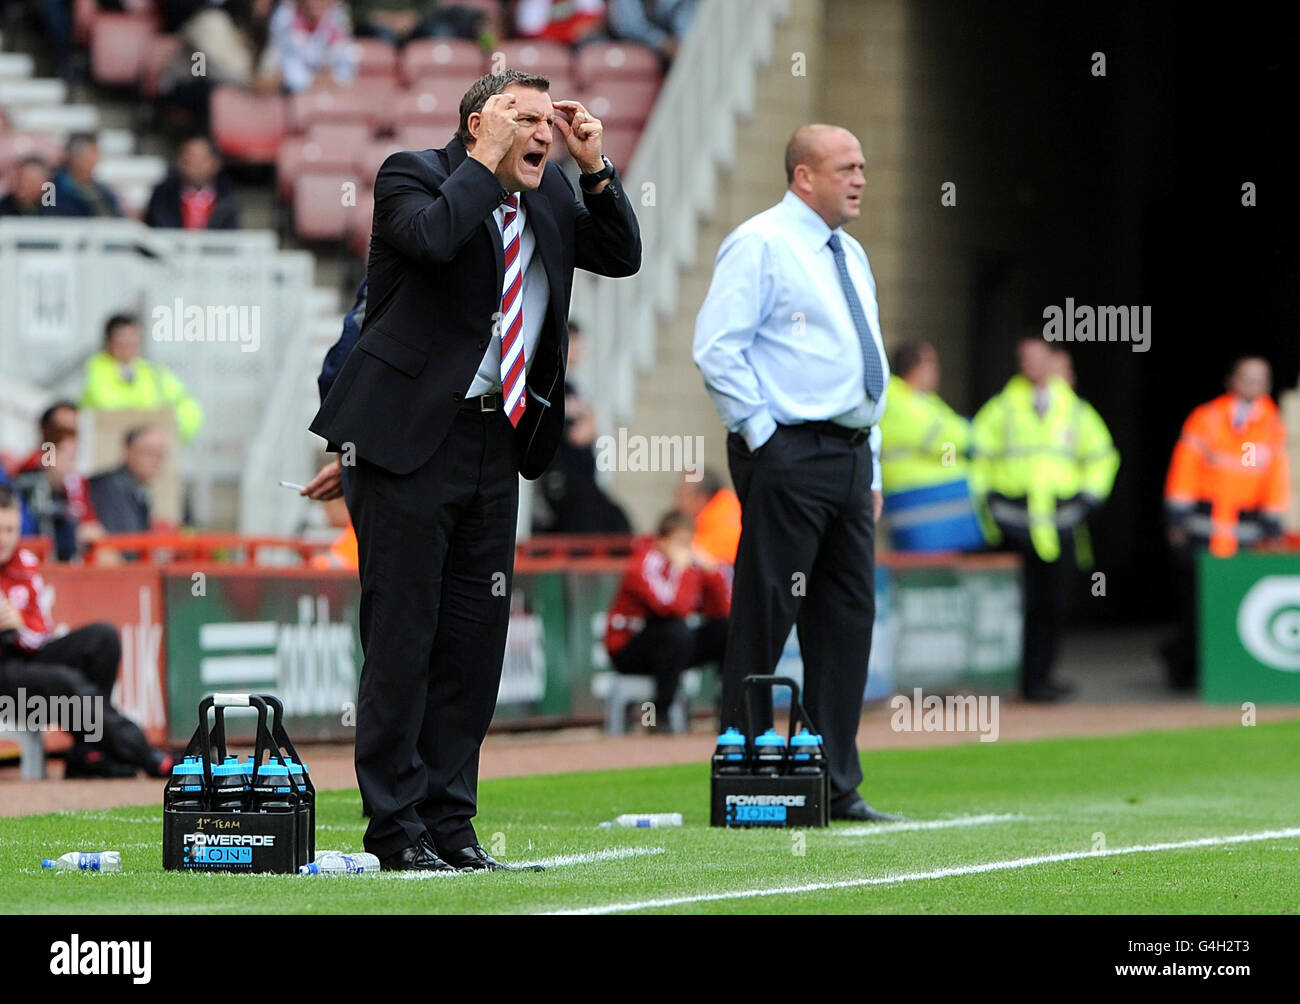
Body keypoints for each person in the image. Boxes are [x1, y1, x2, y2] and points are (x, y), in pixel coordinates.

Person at [309, 70, 640, 871]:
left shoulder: (554, 193)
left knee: (472, 645)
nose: (543, 133)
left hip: (499, 441)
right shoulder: (411, 178)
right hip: (408, 442)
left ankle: (450, 823)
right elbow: (431, 240)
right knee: (402, 638)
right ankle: (394, 830)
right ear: (475, 124)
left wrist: (593, 169)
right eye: (522, 119)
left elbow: (622, 254)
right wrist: (482, 164)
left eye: (547, 121)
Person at [693, 123, 896, 823]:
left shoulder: (851, 253)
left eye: (862, 165)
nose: (860, 178)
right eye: (846, 167)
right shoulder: (761, 243)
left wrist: (869, 467)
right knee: (766, 611)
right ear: (803, 176)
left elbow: (860, 364)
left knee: (847, 619)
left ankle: (834, 780)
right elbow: (717, 348)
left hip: (846, 452)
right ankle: (745, 772)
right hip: (790, 449)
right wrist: (764, 436)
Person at [972, 337, 1119, 702]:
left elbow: (1103, 456)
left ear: (1051, 360)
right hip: (1013, 523)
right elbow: (977, 457)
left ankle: (1042, 679)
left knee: (1053, 605)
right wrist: (990, 506)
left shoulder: (1073, 409)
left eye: (1039, 357)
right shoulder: (1001, 408)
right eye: (1025, 357)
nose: (1032, 364)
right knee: (1016, 608)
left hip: (1059, 523)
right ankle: (1021, 681)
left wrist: (1087, 500)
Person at [0, 485, 172, 778]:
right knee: (63, 681)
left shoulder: (25, 564)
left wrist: (19, 626)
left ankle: (87, 750)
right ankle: (144, 753)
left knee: (102, 638)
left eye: (10, 529)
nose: (4, 539)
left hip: (24, 657)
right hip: (5, 676)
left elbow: (42, 633)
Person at [1162, 356, 1290, 689]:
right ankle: (1183, 666)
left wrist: (1273, 522)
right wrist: (1177, 516)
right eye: (1246, 377)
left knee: (1233, 604)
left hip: (1245, 530)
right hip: (1202, 525)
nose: (1253, 385)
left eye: (1260, 379)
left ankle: (1225, 676)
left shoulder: (1272, 425)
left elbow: (1276, 478)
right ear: (1231, 380)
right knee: (1194, 604)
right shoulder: (1207, 418)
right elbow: (1185, 467)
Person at [604, 509, 729, 728]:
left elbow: (720, 610)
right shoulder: (644, 564)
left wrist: (711, 573)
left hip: (671, 648)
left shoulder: (690, 567)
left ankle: (728, 709)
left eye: (689, 543)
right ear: (662, 541)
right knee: (676, 632)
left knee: (726, 631)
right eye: (680, 542)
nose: (686, 550)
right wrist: (680, 571)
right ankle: (659, 716)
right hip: (630, 649)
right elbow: (672, 607)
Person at [877, 340, 985, 552]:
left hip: (935, 511)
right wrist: (970, 435)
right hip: (918, 507)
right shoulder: (898, 401)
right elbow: (953, 436)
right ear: (916, 368)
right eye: (932, 364)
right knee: (926, 578)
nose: (937, 371)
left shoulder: (924, 400)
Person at [533, 320, 632, 534]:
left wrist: (589, 417)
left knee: (619, 524)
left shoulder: (571, 387)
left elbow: (593, 426)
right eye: (576, 343)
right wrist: (588, 417)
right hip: (566, 486)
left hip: (585, 485)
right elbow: (579, 434)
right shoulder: (551, 386)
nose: (581, 350)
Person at [81, 314, 205, 444]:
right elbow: (106, 405)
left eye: (133, 338)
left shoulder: (153, 372)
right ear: (109, 341)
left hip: (149, 447)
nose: (128, 343)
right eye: (123, 338)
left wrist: (172, 430)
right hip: (108, 446)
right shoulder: (95, 370)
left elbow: (185, 403)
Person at [11, 405, 104, 562]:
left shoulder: (71, 483)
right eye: (60, 430)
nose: (71, 463)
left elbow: (88, 523)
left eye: (74, 430)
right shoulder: (28, 477)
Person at [255, 0, 358, 94]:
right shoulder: (285, 18)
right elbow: (290, 76)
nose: (317, 3)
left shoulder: (336, 19)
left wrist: (321, 80)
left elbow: (345, 73)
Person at [144, 136, 241, 230]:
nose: (194, 165)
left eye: (200, 159)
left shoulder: (227, 199)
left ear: (215, 163)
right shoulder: (162, 196)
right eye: (189, 158)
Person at [88, 425, 168, 535]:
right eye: (148, 451)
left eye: (160, 454)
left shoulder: (138, 489)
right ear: (128, 450)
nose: (155, 460)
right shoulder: (108, 488)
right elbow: (122, 541)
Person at [671, 467, 740, 566]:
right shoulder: (725, 503)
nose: (676, 499)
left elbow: (698, 557)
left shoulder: (722, 516)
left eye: (682, 492)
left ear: (702, 497)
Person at [52, 134, 121, 218]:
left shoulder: (102, 192)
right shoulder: (53, 188)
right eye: (90, 152)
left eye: (95, 152)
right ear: (73, 156)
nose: (94, 158)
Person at [607, 0, 698, 63]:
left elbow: (685, 28)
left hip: (674, 58)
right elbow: (627, 26)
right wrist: (662, 42)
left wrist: (683, 46)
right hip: (628, 50)